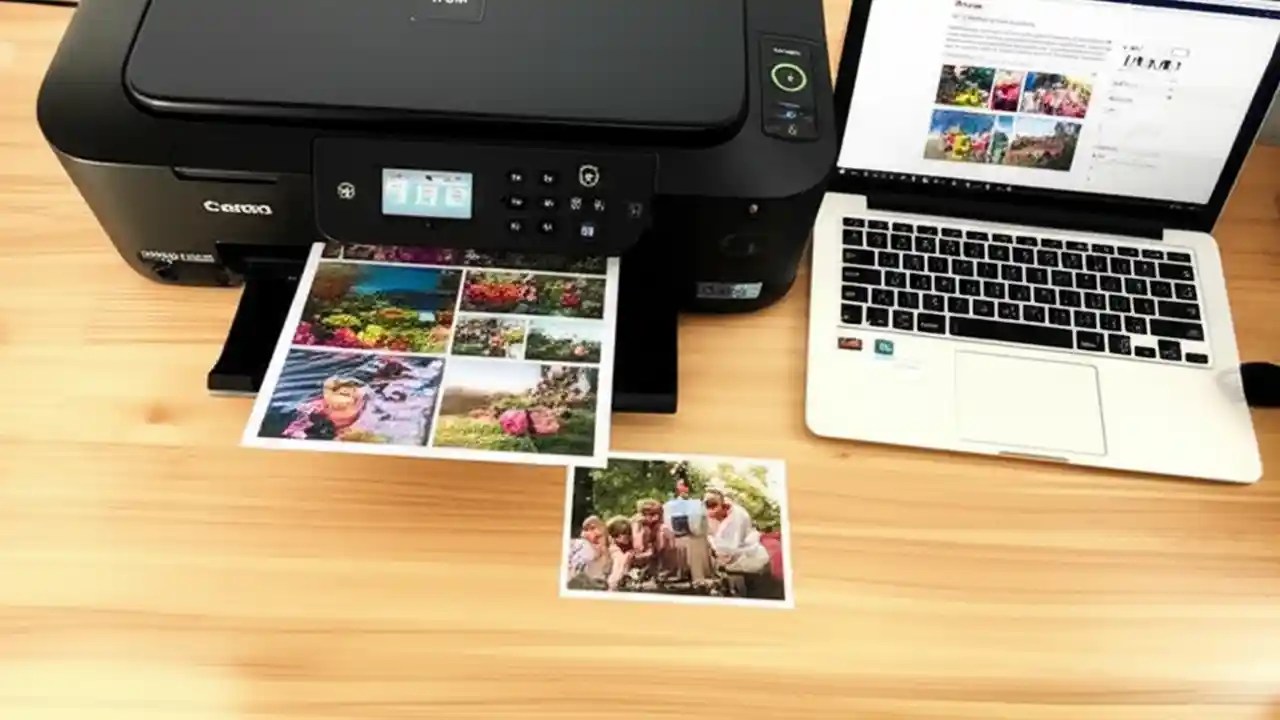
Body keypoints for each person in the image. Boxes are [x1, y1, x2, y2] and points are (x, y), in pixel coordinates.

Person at [663, 478, 715, 584]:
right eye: (681, 485)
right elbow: (669, 522)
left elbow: (702, 523)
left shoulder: (697, 503)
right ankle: (679, 573)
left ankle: (699, 577)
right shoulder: (671, 504)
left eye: (685, 485)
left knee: (696, 543)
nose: (683, 488)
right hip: (679, 537)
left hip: (695, 537)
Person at [566, 516, 624, 591]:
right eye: (586, 529)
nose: (591, 534)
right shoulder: (578, 549)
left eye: (593, 528)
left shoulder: (615, 554)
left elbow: (615, 577)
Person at [631, 499, 677, 579]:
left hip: (660, 557)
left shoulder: (662, 528)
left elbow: (665, 545)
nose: (647, 517)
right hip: (642, 555)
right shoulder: (639, 525)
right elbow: (637, 545)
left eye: (651, 514)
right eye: (644, 514)